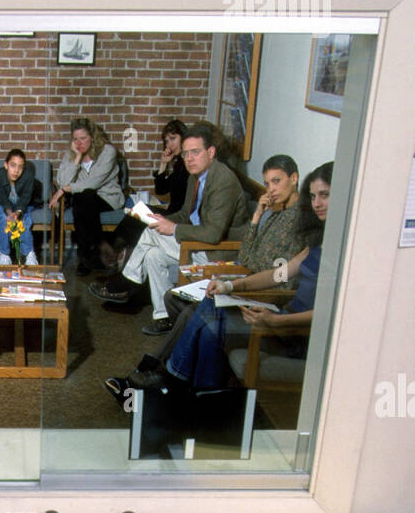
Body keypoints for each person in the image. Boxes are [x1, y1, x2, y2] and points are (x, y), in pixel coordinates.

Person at [112, 162, 332, 396]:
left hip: (293, 331)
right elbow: (275, 272)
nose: (317, 203)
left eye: (325, 195)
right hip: (278, 314)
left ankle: (169, 379)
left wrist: (275, 321)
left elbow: (332, 313)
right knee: (210, 308)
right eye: (313, 196)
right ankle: (190, 392)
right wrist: (231, 285)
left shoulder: (347, 253)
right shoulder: (314, 241)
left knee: (208, 317)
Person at [90, 123, 249, 332]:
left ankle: (125, 284)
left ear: (211, 152)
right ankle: (165, 317)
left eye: (195, 152)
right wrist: (160, 220)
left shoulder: (223, 181)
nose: (189, 159)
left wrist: (172, 228)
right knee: (153, 254)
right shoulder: (197, 176)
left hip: (217, 252)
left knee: (148, 233)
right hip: (197, 243)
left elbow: (213, 233)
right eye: (185, 154)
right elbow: (185, 214)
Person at [99, 118, 189, 268]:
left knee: (138, 216)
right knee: (137, 212)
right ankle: (115, 251)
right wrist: (163, 163)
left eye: (173, 138)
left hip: (177, 215)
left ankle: (114, 251)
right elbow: (161, 190)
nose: (170, 144)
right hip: (173, 210)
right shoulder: (179, 163)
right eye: (167, 141)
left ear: (183, 138)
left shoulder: (187, 163)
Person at [49, 118, 125, 275]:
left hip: (107, 197)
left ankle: (85, 257)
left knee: (85, 195)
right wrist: (76, 158)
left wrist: (63, 190)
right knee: (82, 199)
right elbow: (62, 181)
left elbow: (94, 182)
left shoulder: (108, 151)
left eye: (83, 138)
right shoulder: (70, 155)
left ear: (92, 137)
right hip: (83, 201)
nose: (79, 143)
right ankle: (95, 252)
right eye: (75, 139)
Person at [0, 148, 38, 265]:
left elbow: (26, 198)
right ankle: (4, 254)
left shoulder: (28, 176)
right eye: (13, 165)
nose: (16, 170)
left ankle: (29, 253)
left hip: (24, 205)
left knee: (24, 220)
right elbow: (1, 197)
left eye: (20, 167)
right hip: (5, 204)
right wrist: (9, 212)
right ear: (6, 165)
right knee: (2, 216)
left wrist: (17, 213)